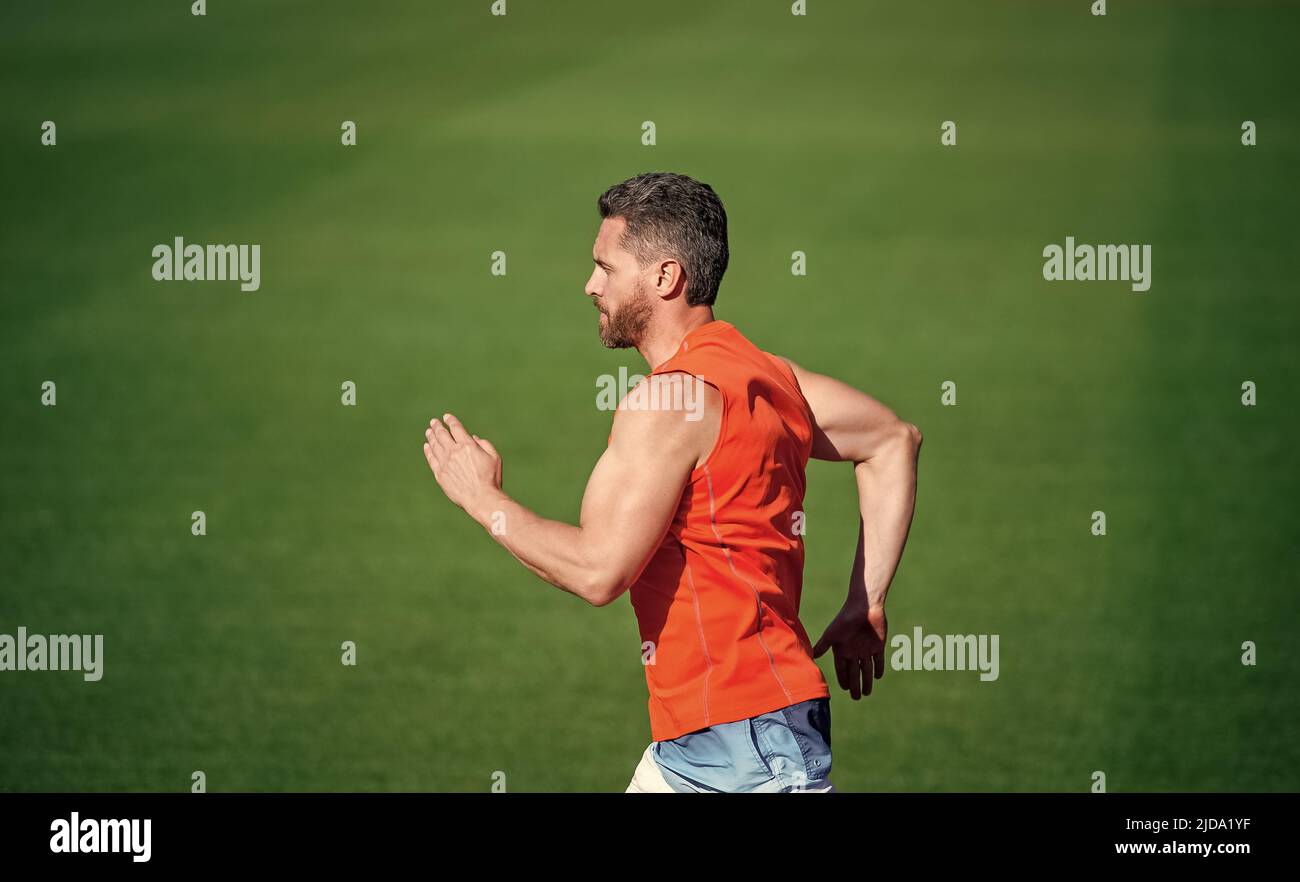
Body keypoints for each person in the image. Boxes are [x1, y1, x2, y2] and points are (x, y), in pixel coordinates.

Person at [423, 171, 922, 792]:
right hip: (718, 737)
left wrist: (483, 500)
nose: (590, 285)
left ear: (664, 278)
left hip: (743, 746)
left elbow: (599, 570)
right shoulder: (772, 377)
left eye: (605, 268)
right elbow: (892, 440)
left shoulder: (667, 401)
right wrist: (864, 601)